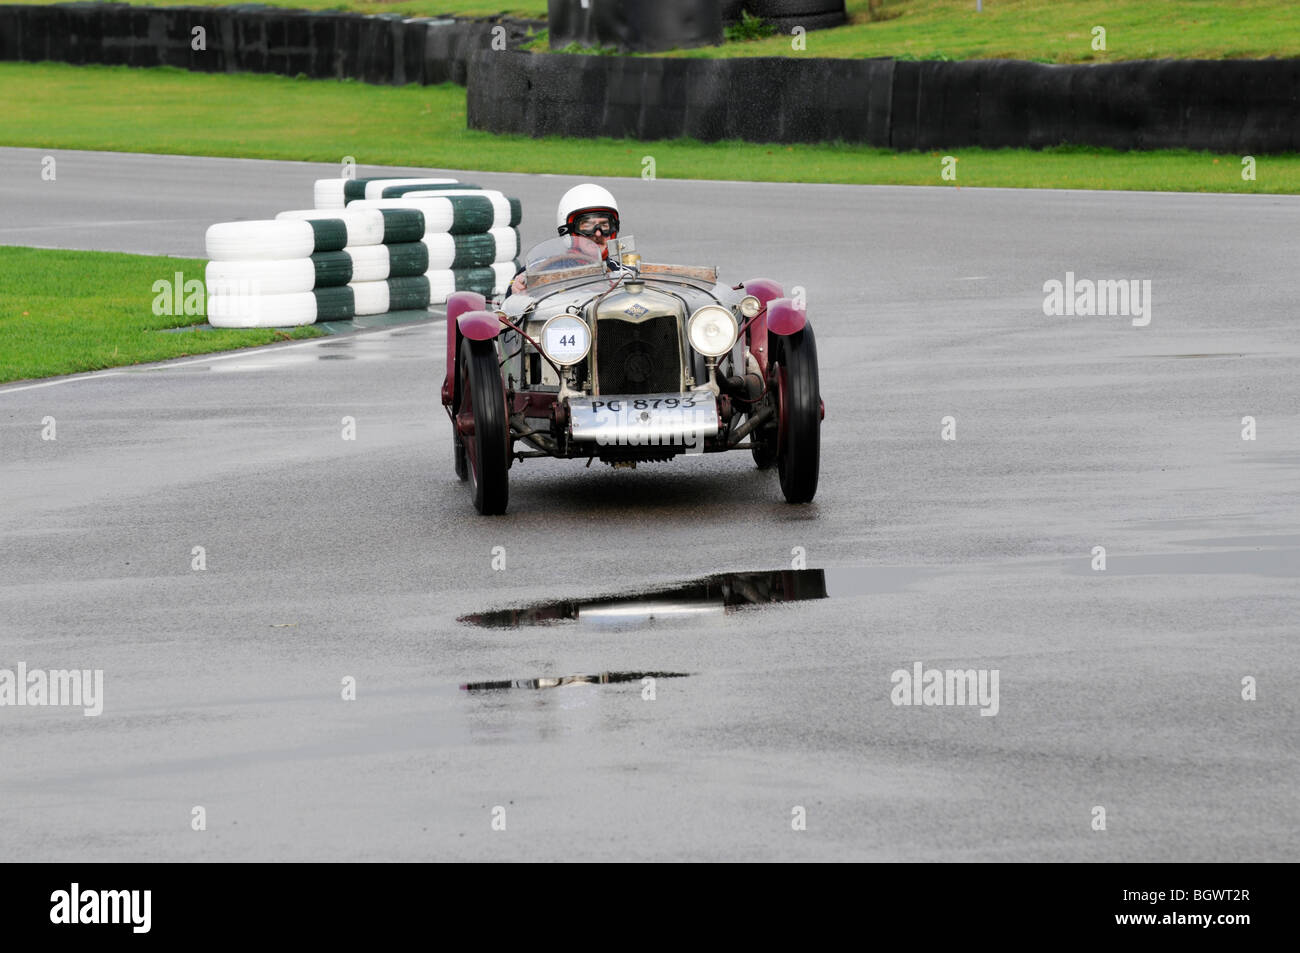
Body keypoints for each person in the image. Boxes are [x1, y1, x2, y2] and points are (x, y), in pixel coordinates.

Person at [509, 183, 621, 295]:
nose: (597, 233)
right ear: (567, 229)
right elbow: (509, 304)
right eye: (587, 225)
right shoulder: (538, 270)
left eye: (605, 225)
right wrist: (519, 287)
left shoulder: (624, 273)